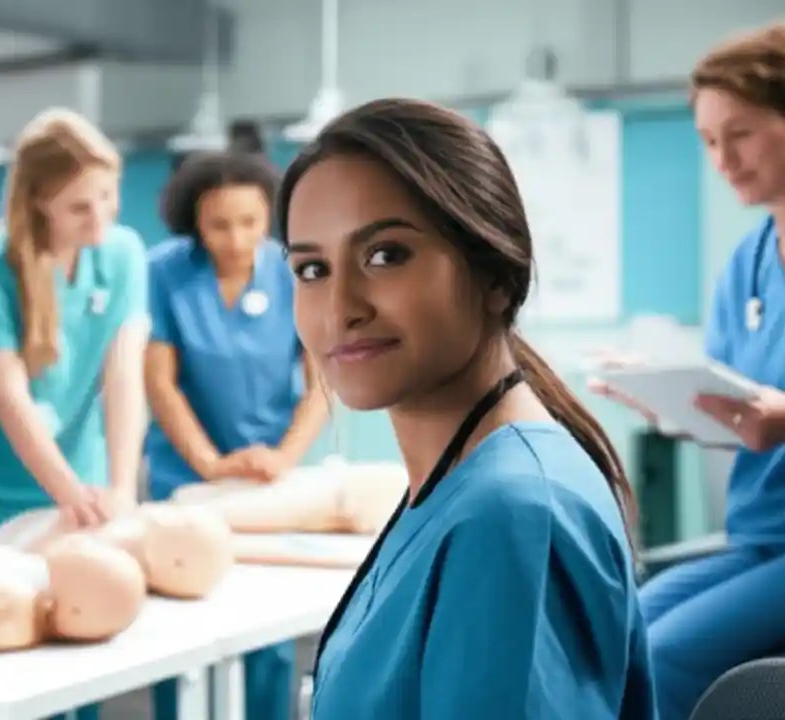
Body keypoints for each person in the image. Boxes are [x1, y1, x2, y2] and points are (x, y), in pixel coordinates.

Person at [278, 98, 656, 719]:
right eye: (312, 268)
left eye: (385, 255)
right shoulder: (457, 481)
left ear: (495, 275)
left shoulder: (513, 514)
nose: (338, 307)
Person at [591, 22, 785, 720]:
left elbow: (778, 415)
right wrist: (672, 405)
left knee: (665, 658)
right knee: (619, 633)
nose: (722, 159)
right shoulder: (748, 264)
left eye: (740, 134)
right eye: (707, 141)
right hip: (761, 532)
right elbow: (744, 419)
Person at [144, 150, 328, 720]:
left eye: (250, 222)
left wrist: (285, 457)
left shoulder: (293, 271)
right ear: (192, 220)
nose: (236, 237)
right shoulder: (165, 272)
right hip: (185, 479)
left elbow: (321, 383)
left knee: (265, 635)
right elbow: (161, 383)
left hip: (265, 479)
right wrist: (207, 464)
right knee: (183, 630)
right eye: (218, 223)